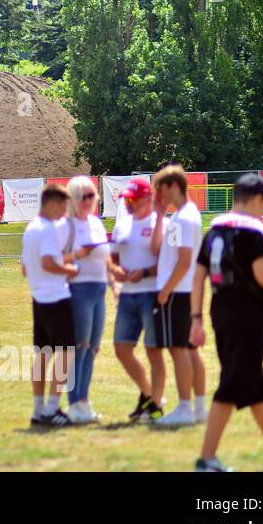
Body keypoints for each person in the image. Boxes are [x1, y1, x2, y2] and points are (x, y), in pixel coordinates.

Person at [189, 174, 263, 471]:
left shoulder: (214, 230)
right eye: (262, 204)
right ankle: (206, 459)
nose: (262, 210)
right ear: (256, 200)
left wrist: (195, 318)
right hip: (246, 314)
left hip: (221, 311)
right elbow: (262, 275)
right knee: (232, 383)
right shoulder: (252, 232)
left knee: (253, 384)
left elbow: (198, 275)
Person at [150, 164, 207, 427]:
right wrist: (160, 215)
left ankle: (185, 407)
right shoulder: (183, 215)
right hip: (182, 290)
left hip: (176, 291)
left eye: (161, 190)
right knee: (190, 351)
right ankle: (199, 407)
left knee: (179, 350)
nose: (159, 196)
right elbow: (162, 250)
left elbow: (184, 261)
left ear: (174, 186)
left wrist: (165, 290)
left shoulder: (184, 218)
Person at [21, 183, 78, 427]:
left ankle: (37, 409)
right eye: (63, 207)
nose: (64, 213)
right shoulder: (48, 229)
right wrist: (69, 269)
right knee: (66, 354)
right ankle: (52, 408)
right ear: (53, 204)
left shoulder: (31, 229)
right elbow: (47, 262)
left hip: (39, 298)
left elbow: (26, 268)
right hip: (56, 297)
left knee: (42, 354)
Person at [110, 177, 166, 422]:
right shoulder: (122, 225)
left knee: (153, 351)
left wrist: (144, 272)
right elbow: (111, 258)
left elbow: (167, 261)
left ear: (147, 199)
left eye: (132, 200)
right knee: (122, 349)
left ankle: (155, 405)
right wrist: (116, 272)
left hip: (152, 293)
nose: (128, 205)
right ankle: (148, 394)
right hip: (128, 295)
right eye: (126, 200)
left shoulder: (159, 223)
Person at [64, 176, 113, 423]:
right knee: (78, 346)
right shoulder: (67, 225)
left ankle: (84, 400)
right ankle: (73, 402)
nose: (87, 201)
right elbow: (57, 258)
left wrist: (115, 283)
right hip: (78, 289)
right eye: (82, 196)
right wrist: (80, 253)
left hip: (99, 289)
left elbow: (106, 259)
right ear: (72, 199)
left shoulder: (95, 222)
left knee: (93, 347)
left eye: (91, 195)